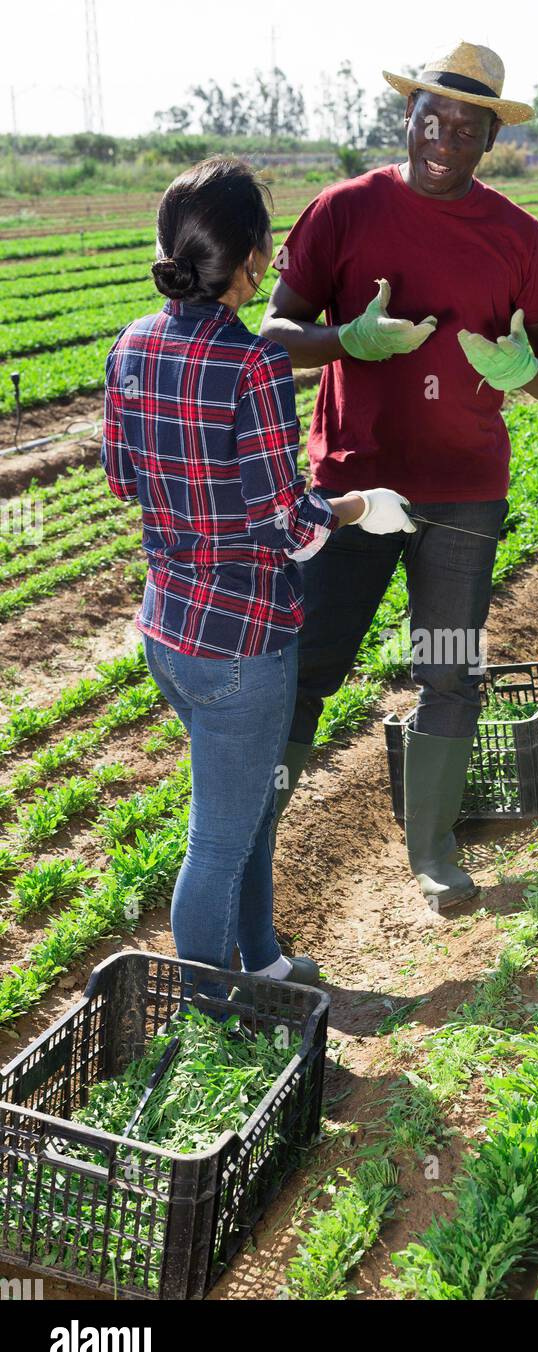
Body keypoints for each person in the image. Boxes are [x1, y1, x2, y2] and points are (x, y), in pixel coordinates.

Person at [262, 40, 538, 911]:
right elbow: (273, 336)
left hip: (464, 497)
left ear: (489, 139)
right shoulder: (343, 211)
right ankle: (255, 837)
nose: (442, 135)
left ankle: (433, 849)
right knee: (307, 670)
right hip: (356, 493)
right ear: (407, 118)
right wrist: (344, 342)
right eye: (429, 116)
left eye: (464, 125)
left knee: (447, 669)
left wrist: (525, 372)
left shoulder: (518, 237)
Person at [102, 156, 413, 986]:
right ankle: (207, 1007)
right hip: (243, 643)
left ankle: (263, 959)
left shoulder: (130, 345)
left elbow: (124, 478)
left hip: (167, 628)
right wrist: (358, 507)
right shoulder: (253, 365)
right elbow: (291, 525)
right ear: (249, 260)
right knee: (219, 838)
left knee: (242, 813)